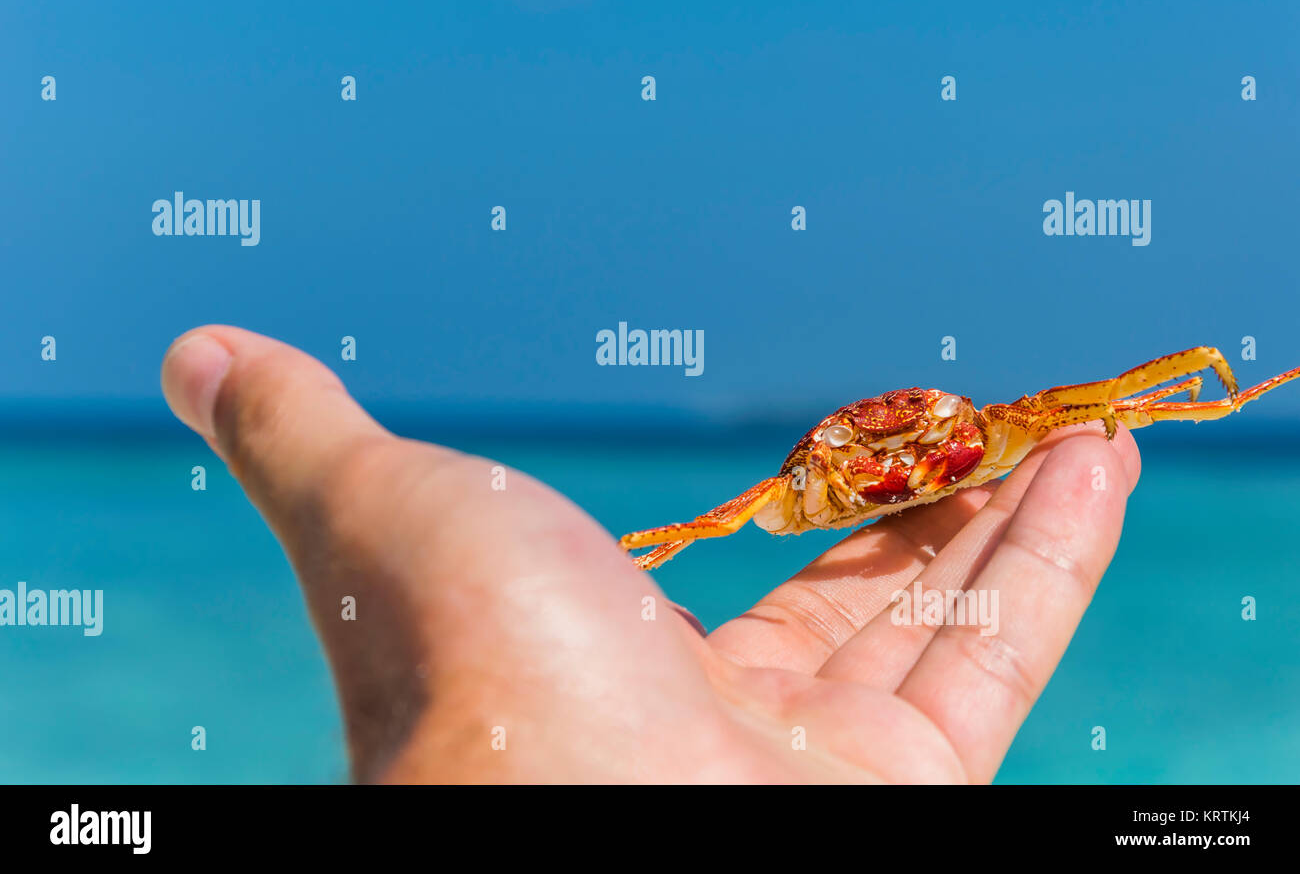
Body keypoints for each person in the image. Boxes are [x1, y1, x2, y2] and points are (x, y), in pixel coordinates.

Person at [161, 325, 1138, 783]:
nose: (890, 443)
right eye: (868, 434)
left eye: (908, 428)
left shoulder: (976, 430)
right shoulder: (805, 478)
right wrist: (626, 556)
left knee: (1083, 422)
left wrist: (1196, 390)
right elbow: (717, 518)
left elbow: (1066, 404)